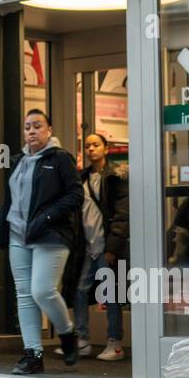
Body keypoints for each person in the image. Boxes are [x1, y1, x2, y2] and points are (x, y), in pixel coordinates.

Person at [0, 109, 83, 374]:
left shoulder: (60, 159)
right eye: (27, 126)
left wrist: (47, 217)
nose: (31, 131)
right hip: (18, 235)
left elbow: (76, 195)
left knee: (42, 290)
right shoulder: (17, 162)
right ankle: (33, 355)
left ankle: (66, 332)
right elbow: (9, 203)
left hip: (51, 235)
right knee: (25, 295)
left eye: (37, 126)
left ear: (49, 130)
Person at [71, 132, 130, 361]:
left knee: (111, 295)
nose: (91, 149)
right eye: (87, 145)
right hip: (87, 245)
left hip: (106, 246)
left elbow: (122, 215)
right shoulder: (82, 177)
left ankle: (115, 344)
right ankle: (83, 341)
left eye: (96, 145)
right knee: (80, 291)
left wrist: (113, 247)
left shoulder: (116, 176)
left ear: (105, 148)